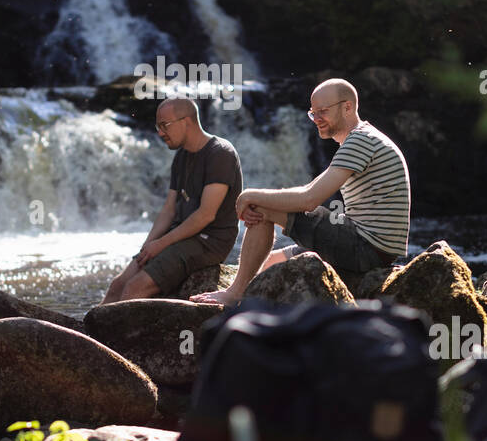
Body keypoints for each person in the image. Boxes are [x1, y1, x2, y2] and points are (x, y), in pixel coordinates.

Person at [191, 78, 409, 303]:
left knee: (261, 208)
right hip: (367, 244)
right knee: (266, 263)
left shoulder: (361, 141)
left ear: (348, 107)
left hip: (365, 247)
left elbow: (309, 199)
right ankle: (242, 290)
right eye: (313, 113)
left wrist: (249, 195)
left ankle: (234, 295)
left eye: (323, 111)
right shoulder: (364, 138)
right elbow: (309, 190)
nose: (317, 119)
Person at [103, 97, 243, 302]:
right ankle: (85, 333)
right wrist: (148, 245)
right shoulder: (181, 156)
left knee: (134, 288)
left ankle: (120, 334)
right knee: (118, 284)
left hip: (209, 241)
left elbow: (206, 215)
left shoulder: (220, 153)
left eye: (164, 125)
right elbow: (169, 210)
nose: (160, 133)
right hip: (181, 236)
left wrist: (161, 244)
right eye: (157, 126)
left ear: (187, 121)